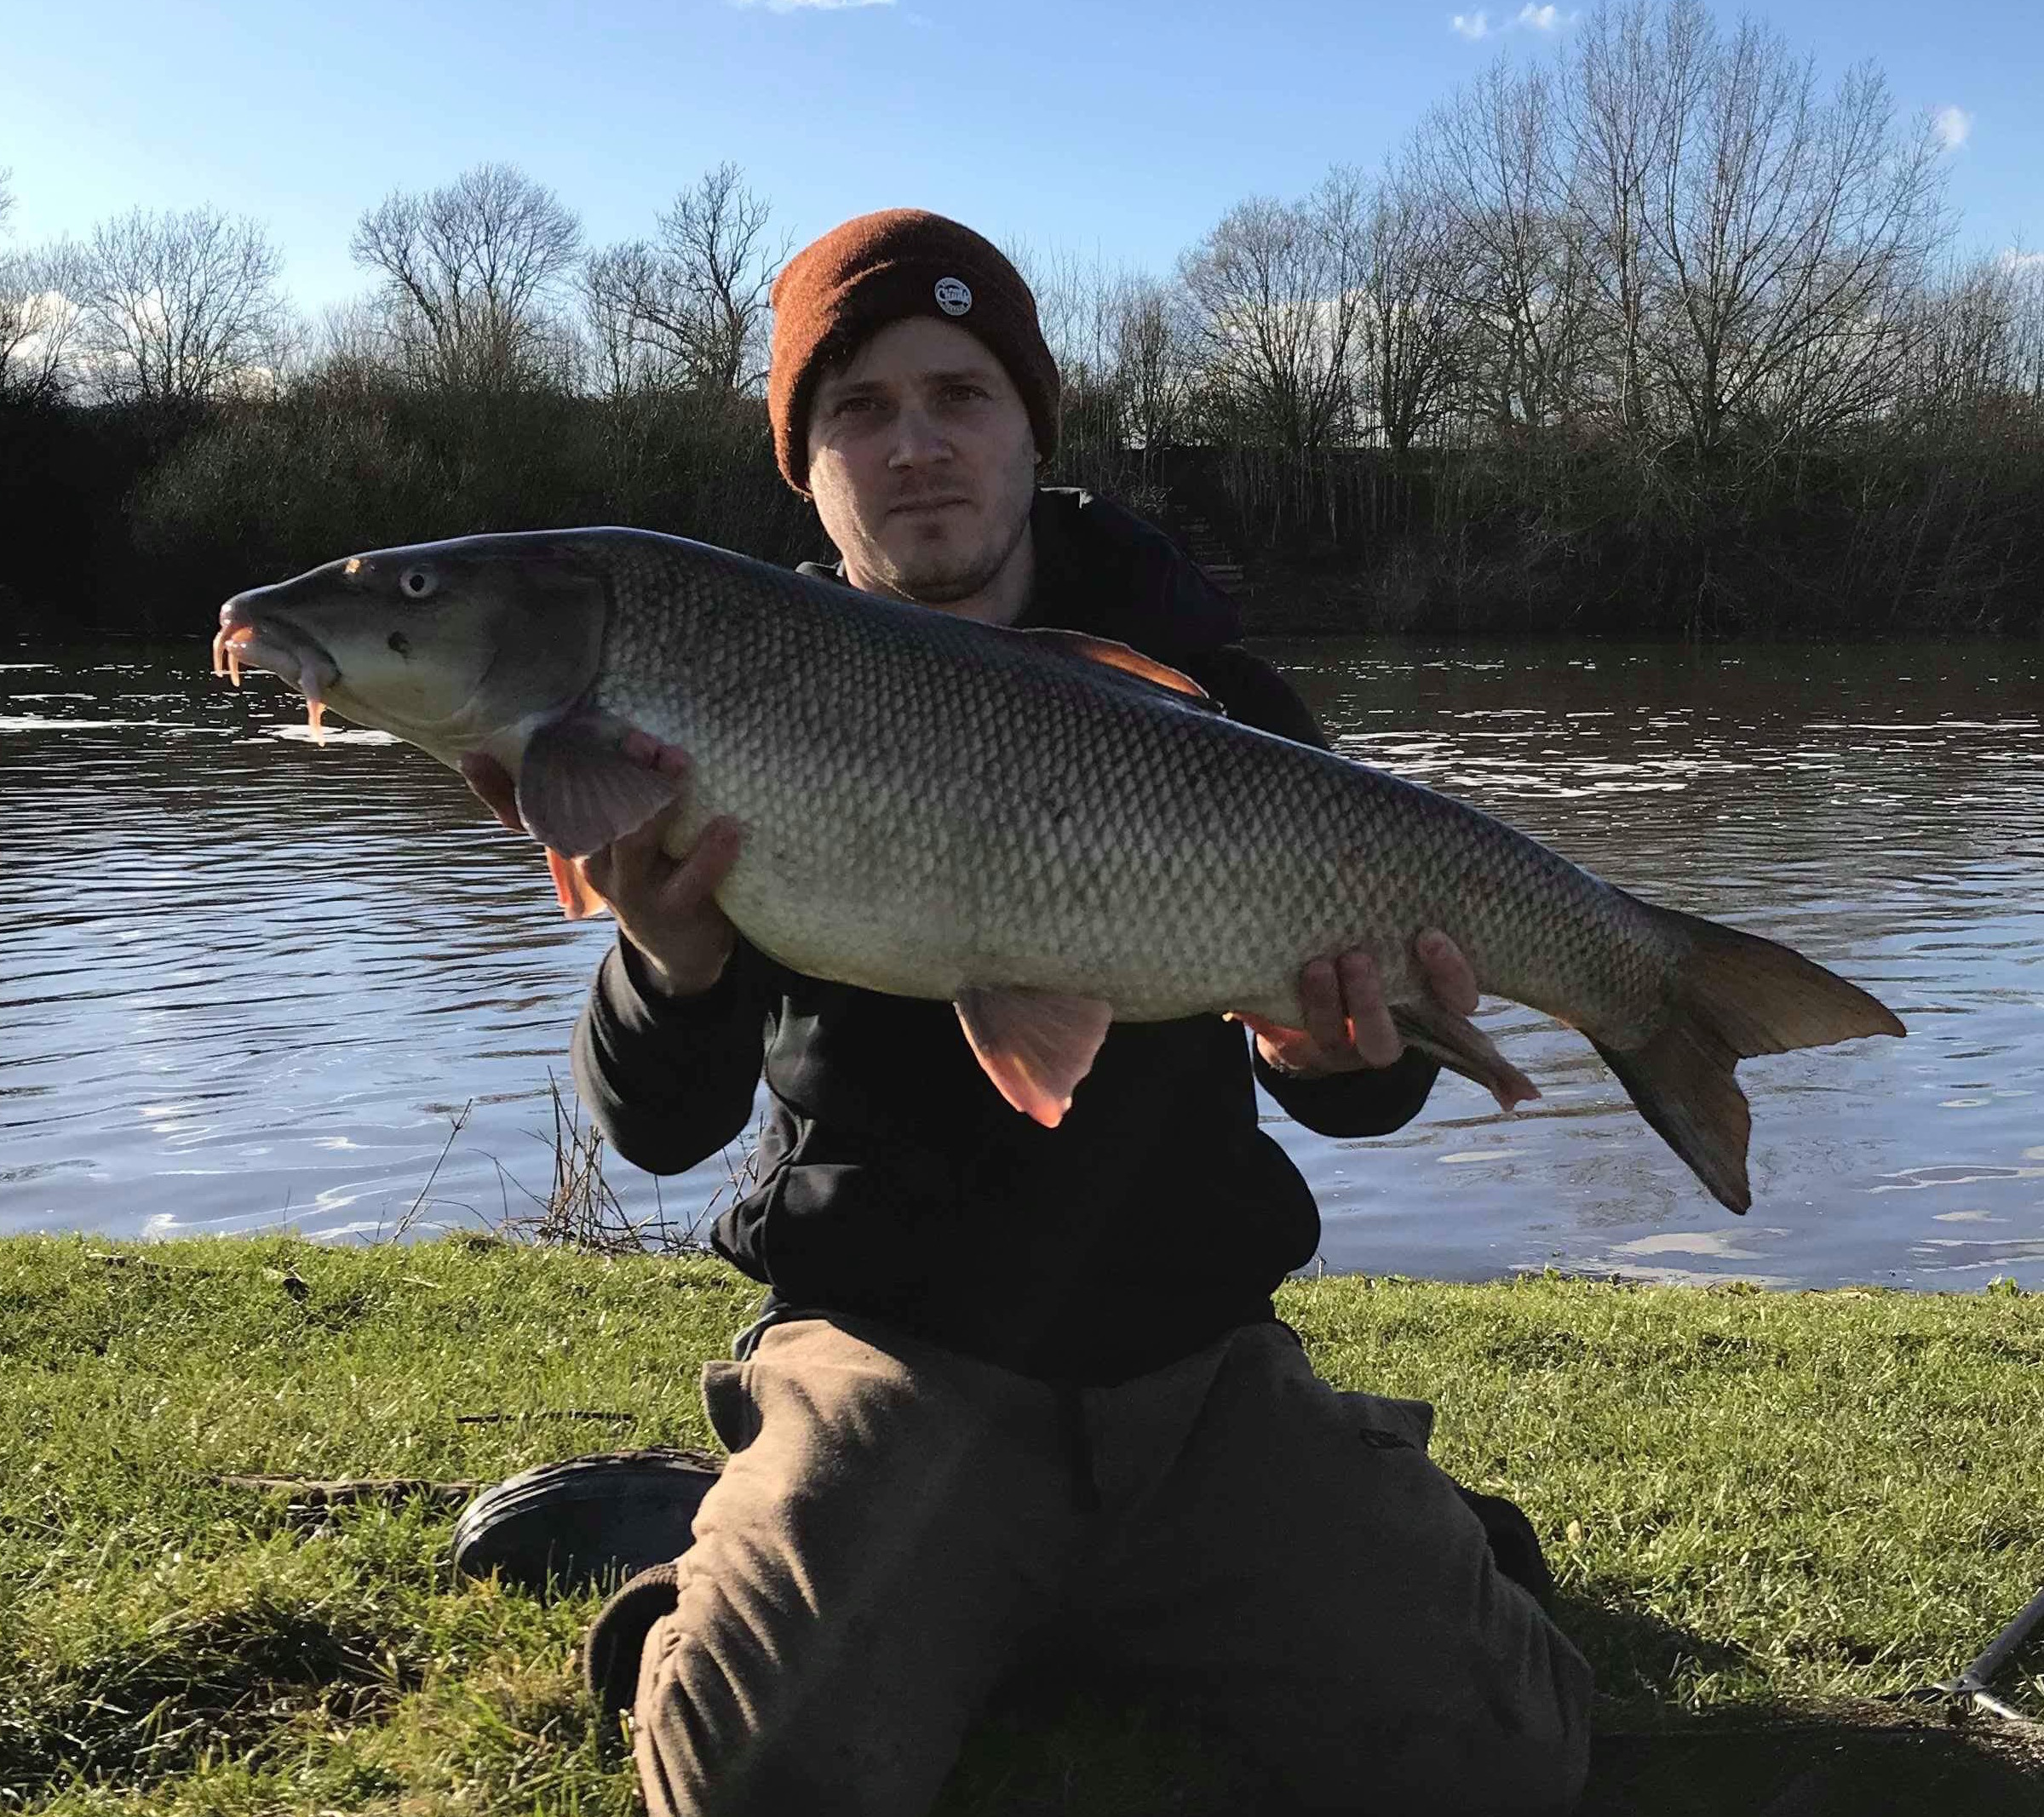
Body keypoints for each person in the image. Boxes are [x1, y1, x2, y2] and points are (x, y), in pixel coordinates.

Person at [467, 209, 1591, 1815]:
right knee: (761, 1784)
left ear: (1029, 426)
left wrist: (1340, 1049)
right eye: (861, 409)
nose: (915, 444)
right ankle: (749, 1526)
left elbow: (1361, 1092)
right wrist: (671, 959)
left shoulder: (1213, 694)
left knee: (1509, 1757)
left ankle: (1231, 1542)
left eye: (959, 394)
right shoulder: (726, 694)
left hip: (1195, 1359)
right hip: (885, 1350)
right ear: (807, 465)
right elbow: (659, 1127)